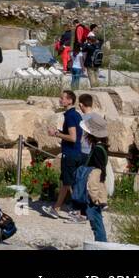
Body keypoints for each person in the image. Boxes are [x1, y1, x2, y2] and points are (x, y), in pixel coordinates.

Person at [44, 89, 85, 221]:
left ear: (70, 100)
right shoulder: (77, 115)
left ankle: (77, 212)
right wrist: (59, 131)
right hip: (77, 153)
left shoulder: (70, 116)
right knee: (68, 182)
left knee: (69, 182)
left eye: (63, 98)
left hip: (70, 153)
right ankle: (58, 208)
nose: (60, 100)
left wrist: (56, 134)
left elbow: (73, 137)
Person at [76, 112, 111, 242]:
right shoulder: (102, 147)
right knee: (96, 221)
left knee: (96, 222)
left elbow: (95, 174)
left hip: (93, 191)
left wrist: (94, 196)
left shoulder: (97, 150)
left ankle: (101, 245)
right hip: (96, 189)